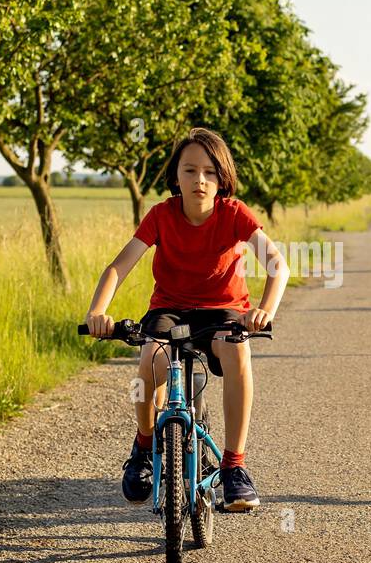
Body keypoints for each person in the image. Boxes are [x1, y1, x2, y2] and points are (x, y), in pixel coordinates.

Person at [84, 127, 288, 511]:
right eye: (190, 170)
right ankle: (144, 446)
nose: (200, 180)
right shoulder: (162, 215)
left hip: (223, 309)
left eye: (210, 172)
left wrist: (264, 311)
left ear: (222, 178)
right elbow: (118, 267)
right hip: (170, 309)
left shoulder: (234, 214)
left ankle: (234, 467)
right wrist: (97, 312)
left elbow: (278, 265)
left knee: (238, 354)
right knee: (150, 362)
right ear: (175, 177)